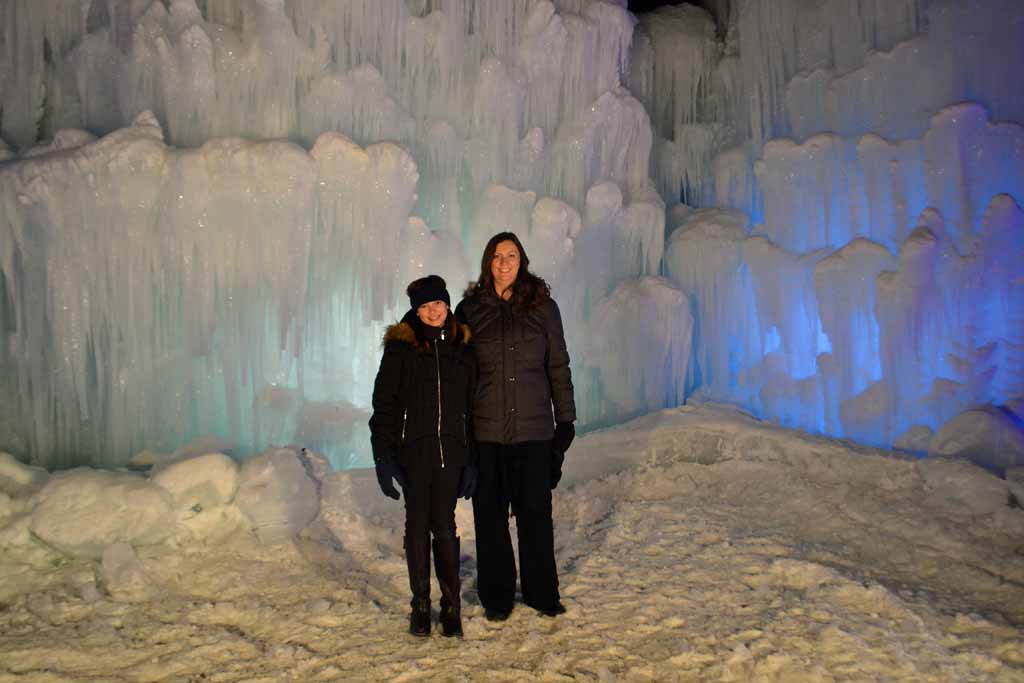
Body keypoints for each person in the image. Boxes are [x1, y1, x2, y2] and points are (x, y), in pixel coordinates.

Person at [455, 232, 576, 621]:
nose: (504, 263)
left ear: (522, 260)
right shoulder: (470, 310)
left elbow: (558, 365)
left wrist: (566, 420)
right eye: (496, 256)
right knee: (490, 519)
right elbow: (458, 373)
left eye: (511, 255)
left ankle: (542, 594)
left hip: (534, 432)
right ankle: (497, 597)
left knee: (535, 517)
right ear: (487, 262)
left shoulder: (544, 308)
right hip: (487, 434)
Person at [369, 275, 478, 638]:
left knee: (445, 528)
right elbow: (384, 406)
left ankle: (451, 606)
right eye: (426, 306)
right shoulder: (402, 350)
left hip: (452, 454)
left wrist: (472, 458)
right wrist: (383, 457)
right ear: (416, 311)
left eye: (439, 304)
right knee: (417, 527)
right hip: (413, 455)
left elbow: (472, 408)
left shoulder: (462, 350)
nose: (434, 312)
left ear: (447, 305)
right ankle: (419, 604)